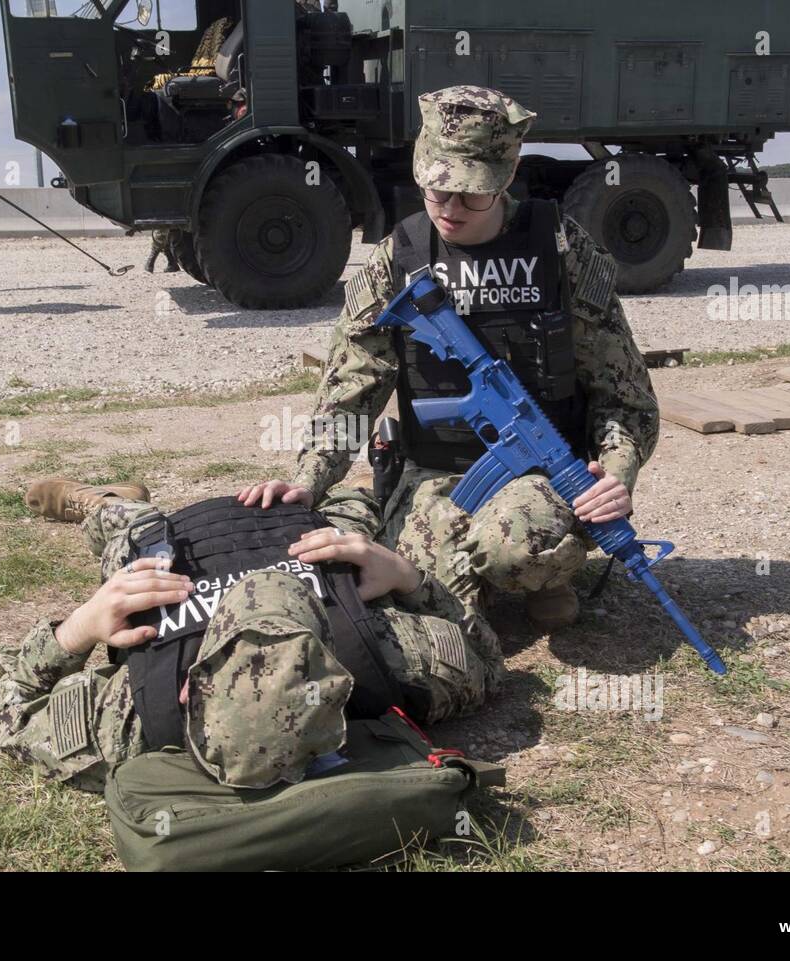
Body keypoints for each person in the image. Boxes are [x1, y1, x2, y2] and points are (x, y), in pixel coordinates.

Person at [238, 85, 660, 633]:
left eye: (471, 194)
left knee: (519, 549)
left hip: (540, 473)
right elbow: (352, 386)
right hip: (431, 472)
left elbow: (623, 393)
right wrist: (309, 480)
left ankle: (544, 572)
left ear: (507, 177)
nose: (450, 209)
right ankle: (480, 567)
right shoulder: (399, 260)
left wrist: (615, 476)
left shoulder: (562, 249)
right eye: (437, 191)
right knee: (424, 606)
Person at [0, 478, 504, 790]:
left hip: (169, 550)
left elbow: (12, 713)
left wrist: (80, 627)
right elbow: (486, 656)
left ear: (188, 690)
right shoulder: (400, 660)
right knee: (352, 511)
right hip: (285, 528)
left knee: (134, 528)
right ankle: (108, 500)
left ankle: (102, 502)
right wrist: (406, 576)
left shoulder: (130, 721)